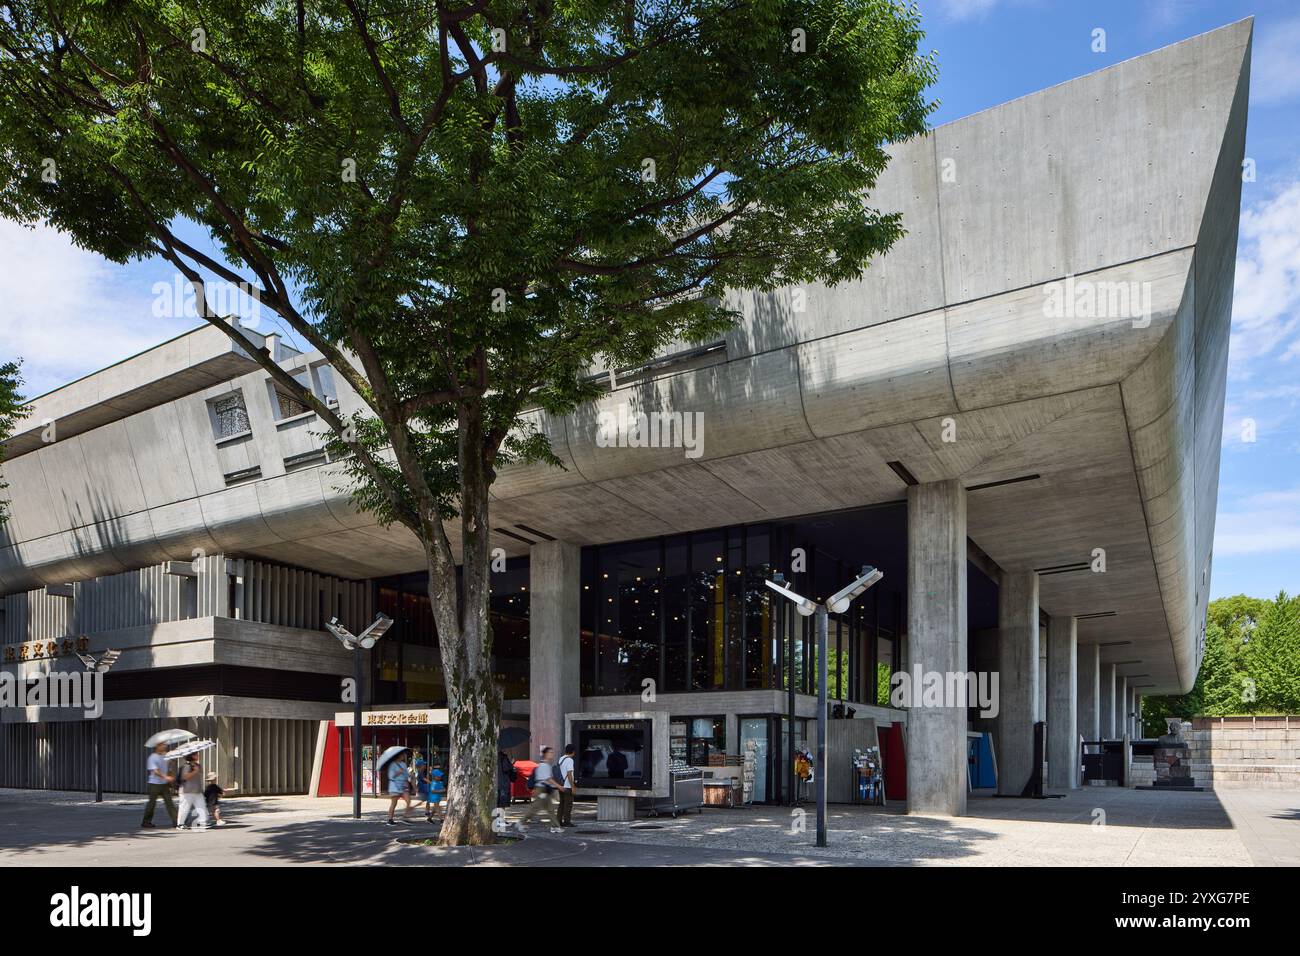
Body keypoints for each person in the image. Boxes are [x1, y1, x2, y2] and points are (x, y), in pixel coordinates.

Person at [516, 746, 563, 834]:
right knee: (536, 808)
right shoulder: (544, 765)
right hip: (541, 790)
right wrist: (559, 786)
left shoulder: (545, 765)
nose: (552, 754)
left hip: (543, 789)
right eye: (550, 752)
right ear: (545, 754)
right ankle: (521, 822)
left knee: (549, 809)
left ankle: (555, 826)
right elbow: (548, 779)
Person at [141, 742, 178, 829]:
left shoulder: (165, 755)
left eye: (165, 744)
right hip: (154, 784)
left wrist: (173, 757)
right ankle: (146, 821)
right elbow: (155, 771)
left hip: (164, 784)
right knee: (152, 803)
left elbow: (171, 764)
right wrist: (166, 777)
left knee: (169, 803)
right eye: (162, 745)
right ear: (157, 746)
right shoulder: (152, 757)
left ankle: (176, 821)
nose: (165, 746)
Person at [176, 753, 209, 830]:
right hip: (186, 791)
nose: (198, 755)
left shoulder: (198, 765)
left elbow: (200, 774)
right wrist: (194, 771)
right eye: (196, 754)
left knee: (202, 806)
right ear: (192, 756)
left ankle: (202, 822)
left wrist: (197, 768)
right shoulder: (186, 766)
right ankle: (180, 824)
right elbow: (185, 777)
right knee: (184, 808)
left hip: (197, 790)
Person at [385, 750, 414, 826]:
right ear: (399, 756)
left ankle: (405, 817)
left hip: (403, 786)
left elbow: (406, 774)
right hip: (394, 786)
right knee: (394, 803)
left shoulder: (403, 764)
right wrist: (399, 772)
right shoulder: (392, 765)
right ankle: (390, 819)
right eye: (402, 755)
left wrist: (408, 776)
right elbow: (391, 776)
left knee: (408, 801)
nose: (404, 756)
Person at [557, 744, 577, 828]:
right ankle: (567, 822)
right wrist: (573, 787)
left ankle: (558, 821)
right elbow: (569, 774)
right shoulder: (570, 760)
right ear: (573, 751)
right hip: (567, 786)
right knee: (568, 804)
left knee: (562, 804)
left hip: (561, 784)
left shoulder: (561, 759)